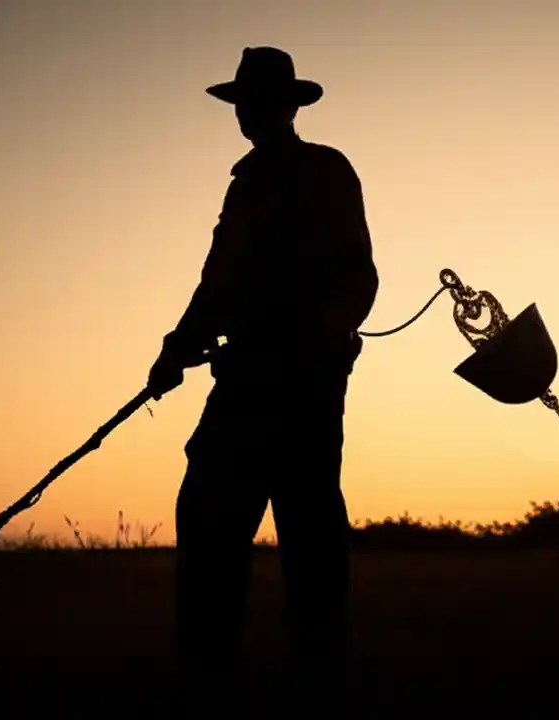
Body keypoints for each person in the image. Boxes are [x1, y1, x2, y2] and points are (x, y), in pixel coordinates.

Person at [146, 47, 379, 708]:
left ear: (287, 106)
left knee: (297, 524)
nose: (249, 113)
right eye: (243, 103)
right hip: (251, 374)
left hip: (297, 382)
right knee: (222, 516)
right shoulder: (247, 183)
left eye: (260, 101)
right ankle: (218, 670)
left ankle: (310, 670)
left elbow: (358, 275)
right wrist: (178, 347)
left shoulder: (324, 172)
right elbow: (217, 285)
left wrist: (327, 337)